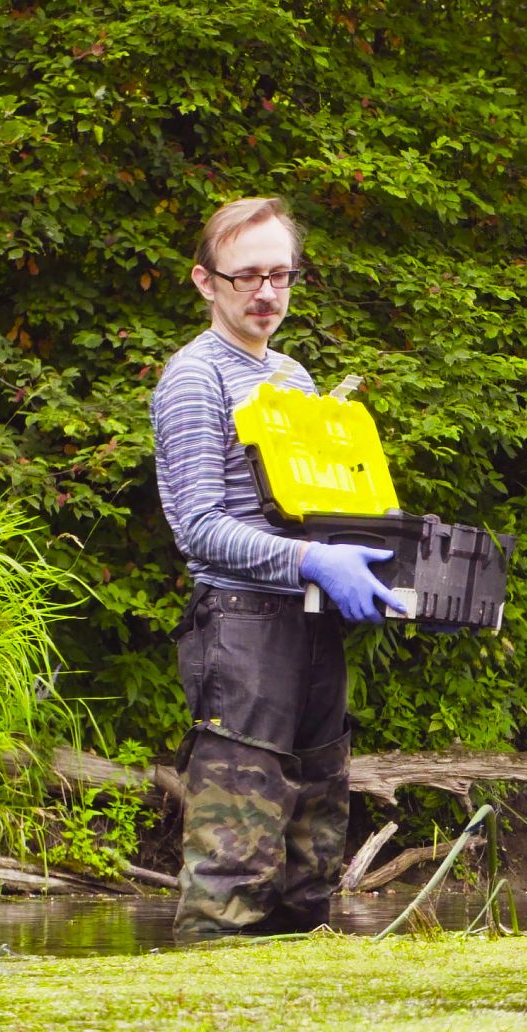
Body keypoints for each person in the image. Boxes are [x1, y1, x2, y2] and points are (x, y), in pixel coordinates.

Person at [149, 197, 409, 937]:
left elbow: (317, 506)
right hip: (238, 632)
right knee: (233, 877)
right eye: (246, 278)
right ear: (206, 283)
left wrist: (356, 555)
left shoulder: (293, 377)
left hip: (312, 624)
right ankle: (211, 1030)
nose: (266, 293)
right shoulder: (194, 379)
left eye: (280, 275)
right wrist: (312, 558)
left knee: (311, 862)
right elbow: (198, 528)